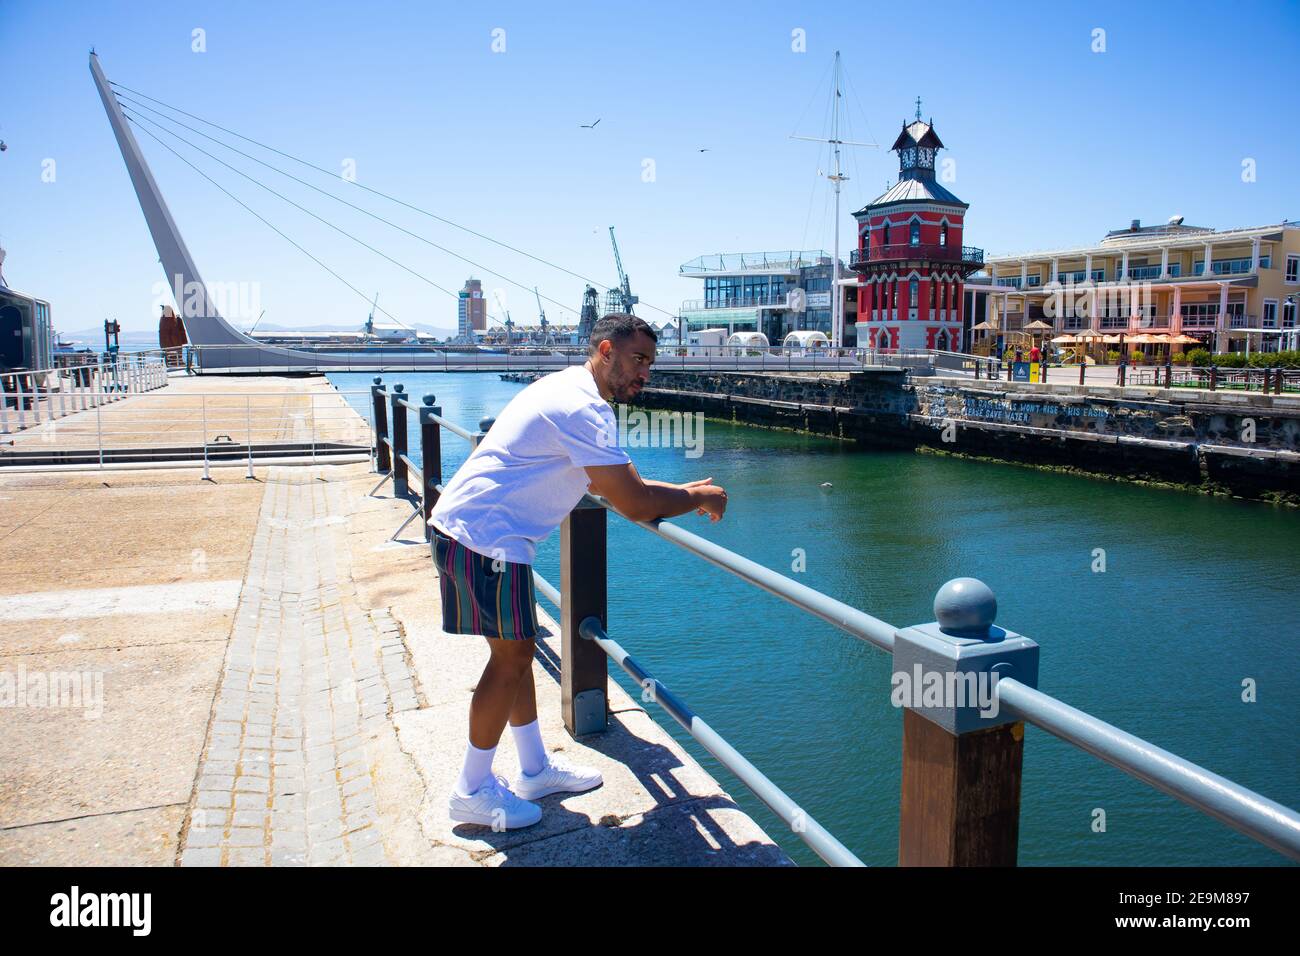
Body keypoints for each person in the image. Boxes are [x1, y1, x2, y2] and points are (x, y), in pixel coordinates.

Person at [428, 313, 729, 829]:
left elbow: (613, 480)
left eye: (651, 364)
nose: (645, 374)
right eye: (638, 361)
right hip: (487, 540)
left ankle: (532, 770)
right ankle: (471, 790)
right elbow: (633, 502)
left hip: (470, 531)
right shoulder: (583, 408)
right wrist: (698, 495)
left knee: (514, 653)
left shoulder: (567, 388)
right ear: (606, 350)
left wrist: (676, 492)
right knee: (511, 659)